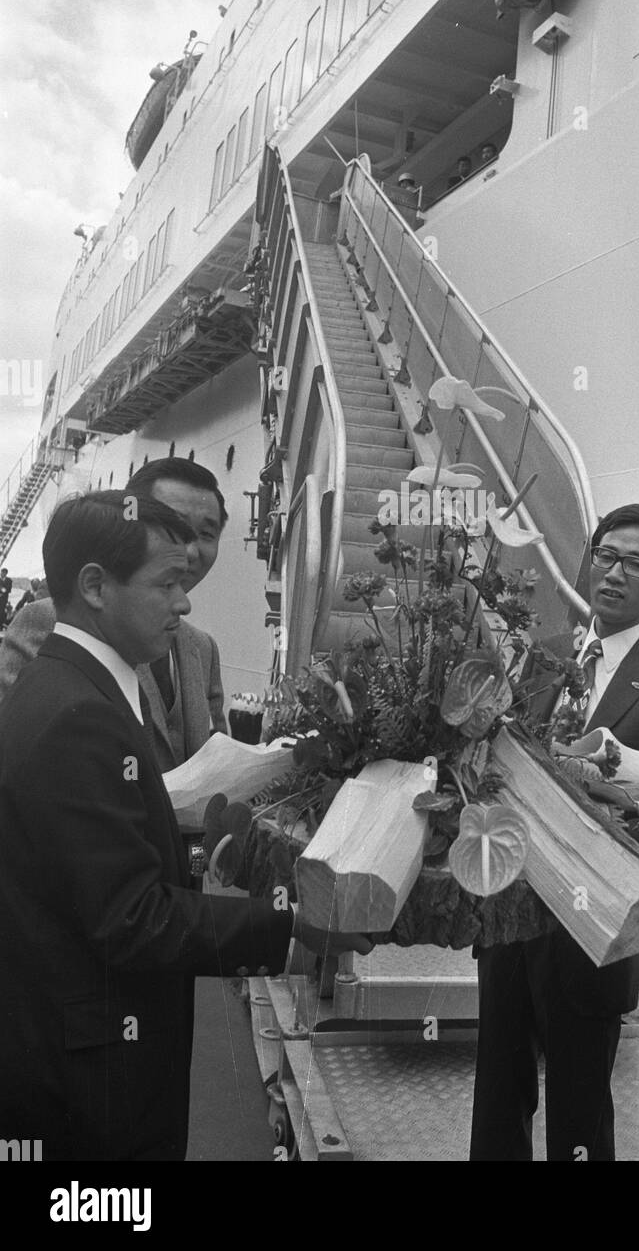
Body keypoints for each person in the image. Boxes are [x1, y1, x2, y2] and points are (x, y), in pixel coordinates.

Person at [0, 491, 371, 1161]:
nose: (185, 602)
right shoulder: (78, 714)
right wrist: (292, 928)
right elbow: (130, 917)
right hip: (92, 1075)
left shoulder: (74, 687)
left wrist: (204, 851)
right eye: (167, 582)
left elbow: (106, 856)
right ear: (94, 587)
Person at [470, 503, 639, 1161]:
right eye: (604, 555)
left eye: (635, 563)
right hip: (509, 910)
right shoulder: (541, 659)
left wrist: (605, 808)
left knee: (579, 1108)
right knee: (495, 1092)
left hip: (592, 929)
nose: (612, 572)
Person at [0, 457, 226, 774]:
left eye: (206, 534)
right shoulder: (51, 625)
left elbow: (218, 756)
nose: (189, 550)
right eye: (172, 526)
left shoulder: (203, 648)